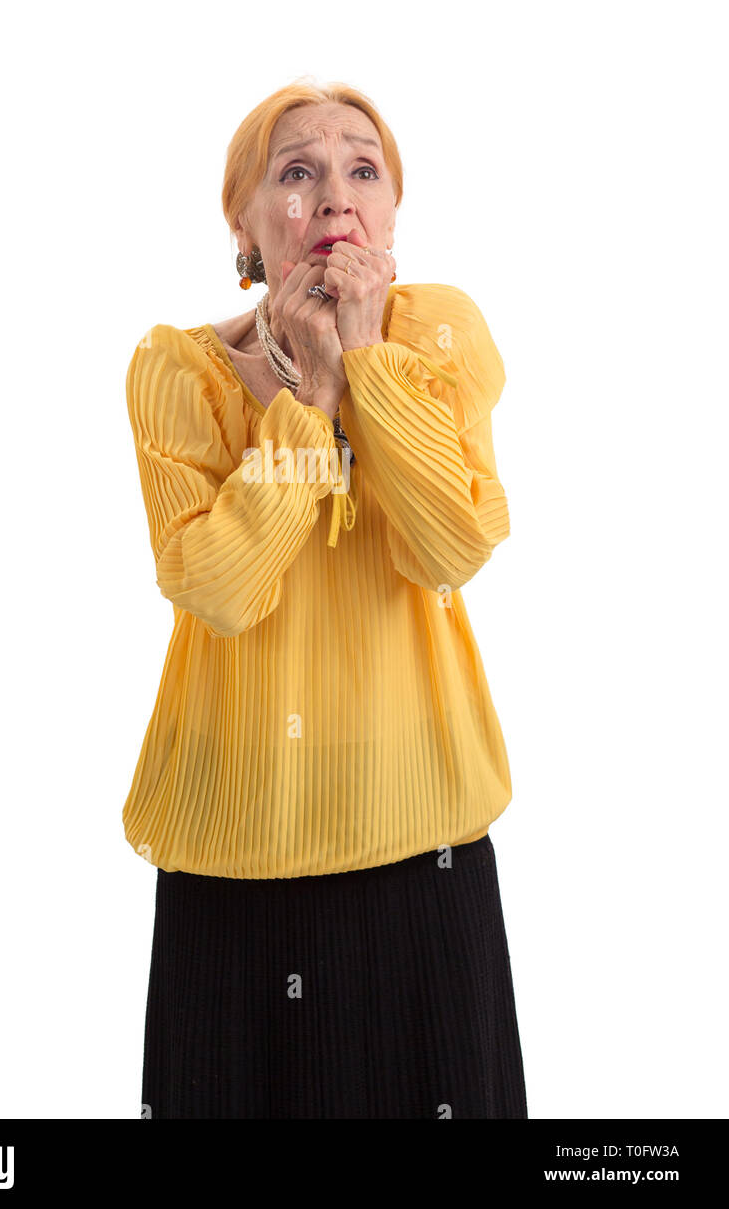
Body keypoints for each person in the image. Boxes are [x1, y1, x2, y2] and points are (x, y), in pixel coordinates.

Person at [124, 77, 527, 1119]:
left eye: (362, 169)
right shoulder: (181, 373)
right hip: (232, 860)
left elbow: (450, 543)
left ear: (390, 212)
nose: (335, 195)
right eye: (295, 173)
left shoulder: (437, 338)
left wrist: (365, 367)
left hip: (421, 848)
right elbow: (216, 586)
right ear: (246, 230)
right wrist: (309, 403)